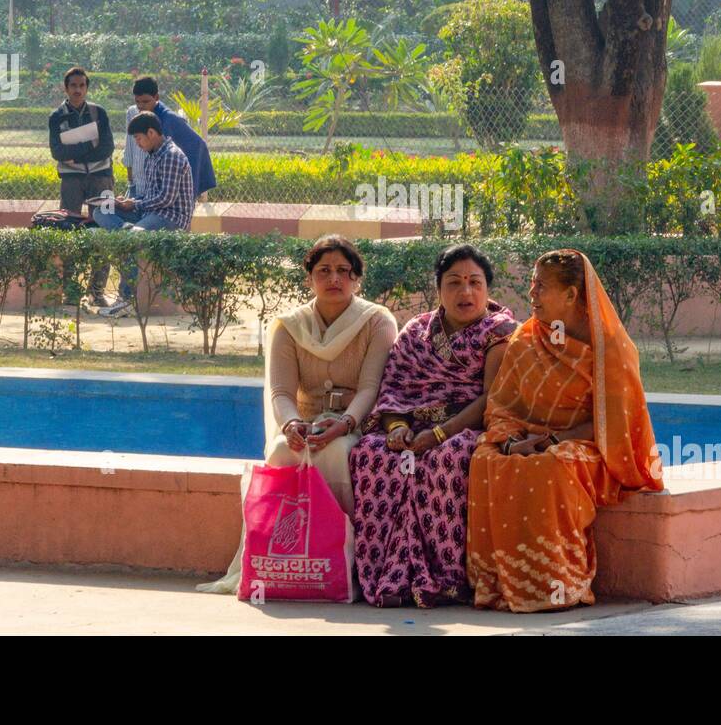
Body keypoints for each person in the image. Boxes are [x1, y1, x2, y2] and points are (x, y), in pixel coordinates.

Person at [197, 235, 398, 595]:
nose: (334, 279)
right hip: (304, 425)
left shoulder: (376, 321)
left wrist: (344, 424)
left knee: (336, 453)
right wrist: (290, 425)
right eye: (324, 271)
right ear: (309, 279)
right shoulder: (288, 327)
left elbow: (370, 388)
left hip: (356, 425)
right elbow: (281, 392)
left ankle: (346, 560)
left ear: (357, 279)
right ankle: (284, 562)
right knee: (279, 451)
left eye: (343, 271)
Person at [466, 249, 665, 613]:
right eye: (532, 285)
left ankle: (555, 583)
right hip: (525, 440)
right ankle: (498, 584)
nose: (532, 295)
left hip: (588, 447)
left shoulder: (611, 349)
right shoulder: (527, 339)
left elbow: (614, 423)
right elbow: (502, 405)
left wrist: (551, 440)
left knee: (552, 465)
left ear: (572, 295)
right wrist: (511, 443)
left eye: (541, 287)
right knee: (485, 458)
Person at [349, 245, 516, 608]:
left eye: (475, 282)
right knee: (369, 453)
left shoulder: (499, 330)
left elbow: (492, 397)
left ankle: (446, 579)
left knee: (445, 458)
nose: (465, 292)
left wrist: (440, 434)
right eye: (454, 282)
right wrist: (395, 428)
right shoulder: (417, 330)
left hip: (466, 427)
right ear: (439, 288)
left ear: (488, 289)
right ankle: (386, 573)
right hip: (412, 428)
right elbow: (393, 386)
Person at [92, 112, 195, 314]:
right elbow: (149, 196)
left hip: (171, 217)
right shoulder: (151, 156)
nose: (137, 144)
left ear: (151, 133)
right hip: (148, 213)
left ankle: (126, 299)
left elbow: (166, 199)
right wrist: (126, 202)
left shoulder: (172, 156)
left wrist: (135, 205)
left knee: (132, 239)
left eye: (138, 138)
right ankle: (126, 230)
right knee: (100, 212)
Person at [48, 66, 114, 307]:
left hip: (102, 178)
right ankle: (71, 291)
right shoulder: (56, 117)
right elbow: (57, 151)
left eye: (82, 85)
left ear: (87, 88)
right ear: (65, 88)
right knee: (69, 231)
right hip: (71, 181)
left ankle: (97, 291)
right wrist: (89, 147)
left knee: (106, 229)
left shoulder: (99, 113)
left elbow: (107, 148)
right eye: (73, 85)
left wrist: (76, 153)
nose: (78, 90)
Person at [122, 75, 217, 203]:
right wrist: (130, 182)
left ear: (156, 97)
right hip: (137, 185)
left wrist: (189, 187)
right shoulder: (132, 113)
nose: (141, 106)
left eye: (145, 102)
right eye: (137, 102)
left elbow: (198, 145)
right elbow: (129, 149)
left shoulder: (169, 120)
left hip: (158, 191)